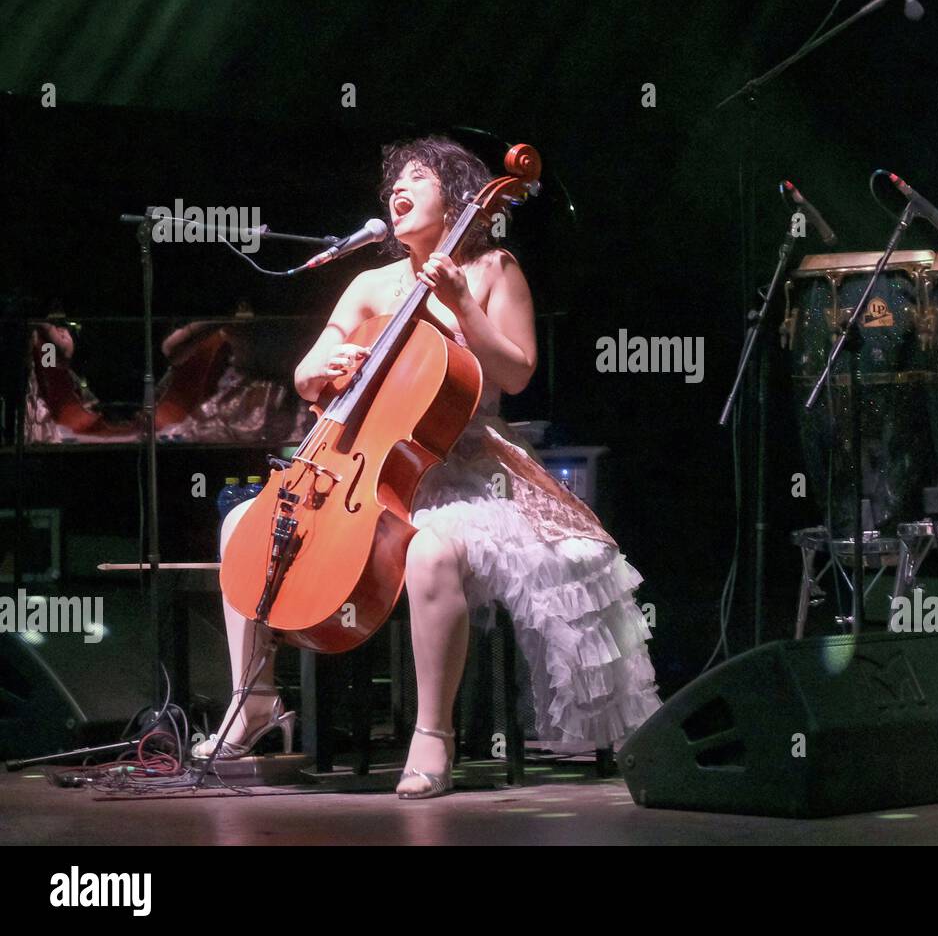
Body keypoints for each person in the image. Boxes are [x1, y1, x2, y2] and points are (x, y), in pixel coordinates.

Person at [196, 135, 661, 795]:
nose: (397, 190)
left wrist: (462, 303)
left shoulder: (494, 269)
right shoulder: (369, 284)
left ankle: (432, 733)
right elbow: (306, 372)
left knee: (431, 552)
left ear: (462, 196)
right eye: (393, 183)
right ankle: (255, 702)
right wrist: (317, 371)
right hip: (356, 468)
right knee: (244, 521)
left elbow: (517, 371)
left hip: (459, 467)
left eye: (417, 177)